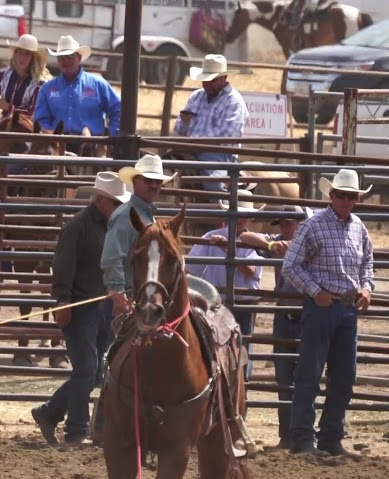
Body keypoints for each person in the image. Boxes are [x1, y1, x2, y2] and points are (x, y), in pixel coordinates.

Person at [30, 172, 128, 446]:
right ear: (101, 201)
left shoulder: (114, 228)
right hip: (80, 308)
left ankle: (50, 412)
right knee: (87, 369)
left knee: (95, 371)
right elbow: (63, 266)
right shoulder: (78, 227)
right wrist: (62, 302)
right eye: (116, 203)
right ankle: (76, 430)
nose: (120, 208)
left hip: (105, 308)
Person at [281, 170, 373, 458]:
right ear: (331, 196)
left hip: (347, 307)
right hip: (323, 305)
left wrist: (367, 289)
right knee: (310, 372)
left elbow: (368, 264)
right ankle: (303, 439)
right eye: (342, 195)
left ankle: (330, 438)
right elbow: (290, 265)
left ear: (356, 199)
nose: (346, 200)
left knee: (344, 375)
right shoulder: (313, 226)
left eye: (351, 196)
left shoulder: (359, 228)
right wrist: (314, 291)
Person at [240, 204, 308, 447]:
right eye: (282, 223)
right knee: (283, 379)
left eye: (289, 223)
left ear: (301, 224)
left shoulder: (310, 242)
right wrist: (271, 245)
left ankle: (302, 434)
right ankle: (287, 436)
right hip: (284, 315)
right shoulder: (278, 243)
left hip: (305, 314)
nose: (285, 227)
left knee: (304, 377)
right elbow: (245, 236)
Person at [187, 191, 263, 376]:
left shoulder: (253, 240)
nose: (239, 219)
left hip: (243, 302)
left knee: (241, 349)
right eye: (235, 213)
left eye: (243, 215)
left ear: (250, 218)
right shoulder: (211, 237)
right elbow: (191, 267)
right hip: (217, 303)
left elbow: (251, 270)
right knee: (216, 345)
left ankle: (241, 386)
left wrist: (226, 249)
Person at [100, 154, 172, 314]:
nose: (154, 185)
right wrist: (118, 292)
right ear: (135, 182)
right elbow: (112, 257)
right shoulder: (126, 215)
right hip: (124, 298)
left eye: (158, 181)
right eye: (148, 180)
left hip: (135, 296)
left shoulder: (144, 214)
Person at [173, 54, 248, 193]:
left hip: (219, 155)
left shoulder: (234, 102)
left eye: (211, 80)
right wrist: (184, 122)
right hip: (187, 151)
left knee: (213, 186)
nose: (207, 84)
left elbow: (227, 135)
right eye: (205, 80)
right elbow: (178, 129)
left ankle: (222, 211)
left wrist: (194, 142)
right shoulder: (196, 96)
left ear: (224, 78)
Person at [32, 36, 121, 145]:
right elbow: (41, 120)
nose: (65, 61)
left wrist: (113, 136)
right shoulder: (47, 89)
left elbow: (117, 108)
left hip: (92, 144)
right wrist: (48, 134)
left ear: (79, 57)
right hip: (57, 145)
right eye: (61, 57)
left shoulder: (98, 84)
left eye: (69, 56)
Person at [0, 34, 49, 130]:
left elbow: (31, 112)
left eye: (27, 54)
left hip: (26, 128)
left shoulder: (39, 84)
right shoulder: (2, 76)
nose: (22, 57)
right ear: (15, 54)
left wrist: (7, 107)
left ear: (33, 58)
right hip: (4, 123)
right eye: (19, 52)